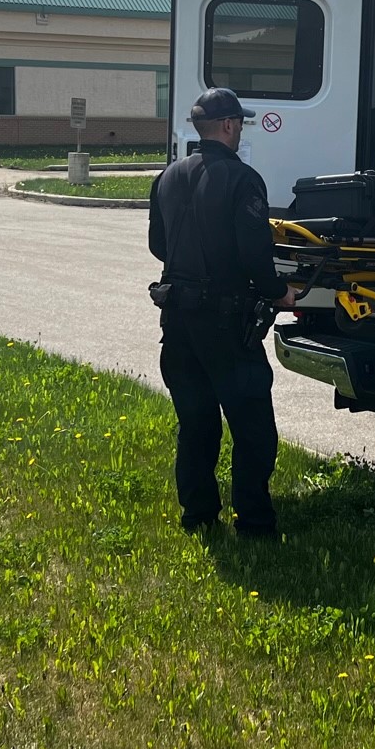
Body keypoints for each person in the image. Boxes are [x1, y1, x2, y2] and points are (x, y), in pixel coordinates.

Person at [148, 87, 295, 536]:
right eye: (241, 123)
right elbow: (254, 253)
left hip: (177, 321)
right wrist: (280, 293)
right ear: (230, 125)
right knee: (252, 428)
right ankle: (253, 522)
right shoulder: (243, 179)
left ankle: (198, 518)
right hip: (226, 324)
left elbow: (158, 246)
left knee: (195, 425)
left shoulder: (167, 176)